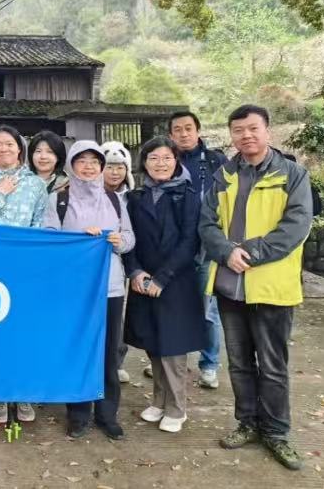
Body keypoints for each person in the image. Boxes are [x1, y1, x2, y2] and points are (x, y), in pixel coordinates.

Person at [200, 104, 312, 471]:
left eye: (252, 128)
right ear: (230, 135)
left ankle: (277, 433)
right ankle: (247, 423)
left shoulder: (292, 174)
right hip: (231, 285)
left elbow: (295, 226)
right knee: (240, 364)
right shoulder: (224, 175)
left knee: (273, 365)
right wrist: (224, 252)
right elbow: (207, 224)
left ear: (268, 131)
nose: (246, 135)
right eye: (238, 130)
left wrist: (247, 252)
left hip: (271, 285)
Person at [43, 141, 136, 440]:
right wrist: (79, 240)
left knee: (109, 352)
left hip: (110, 286)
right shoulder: (58, 199)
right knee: (80, 349)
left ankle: (107, 414)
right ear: (71, 165)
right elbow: (49, 239)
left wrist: (119, 241)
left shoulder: (114, 199)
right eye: (81, 160)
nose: (88, 166)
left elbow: (130, 237)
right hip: (74, 288)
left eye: (94, 161)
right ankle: (78, 413)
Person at [122, 137, 207, 434]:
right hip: (143, 282)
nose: (161, 164)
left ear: (176, 162)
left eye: (166, 158)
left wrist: (163, 277)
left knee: (173, 348)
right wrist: (135, 272)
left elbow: (189, 242)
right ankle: (158, 401)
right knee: (153, 344)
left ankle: (177, 407)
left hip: (176, 283)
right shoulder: (135, 197)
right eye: (154, 158)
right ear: (144, 163)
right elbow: (127, 239)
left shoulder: (188, 196)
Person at [0, 125, 49, 425]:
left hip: (24, 268)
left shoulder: (35, 184)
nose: (3, 149)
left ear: (19, 149)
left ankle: (23, 393)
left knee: (23, 331)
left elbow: (40, 224)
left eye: (9, 144)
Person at [167, 111, 229, 390]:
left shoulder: (217, 162)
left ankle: (209, 364)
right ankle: (172, 363)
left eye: (188, 128)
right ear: (171, 135)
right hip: (173, 247)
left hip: (205, 247)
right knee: (173, 308)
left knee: (206, 310)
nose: (183, 134)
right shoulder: (165, 159)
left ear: (198, 130)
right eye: (177, 130)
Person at [101, 141, 134, 385]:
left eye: (119, 167)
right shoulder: (88, 195)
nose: (114, 172)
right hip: (94, 265)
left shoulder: (132, 196)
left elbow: (131, 235)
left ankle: (116, 360)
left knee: (117, 317)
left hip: (121, 263)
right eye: (109, 166)